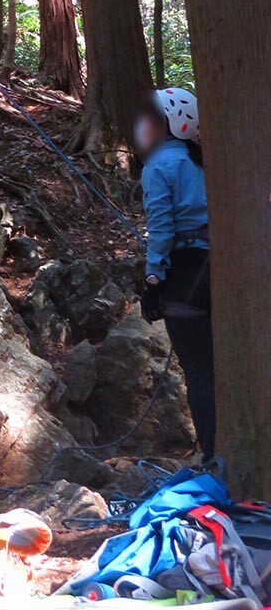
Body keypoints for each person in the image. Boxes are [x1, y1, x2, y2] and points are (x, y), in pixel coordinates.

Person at [135, 87, 215, 460]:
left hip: (186, 279)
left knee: (200, 373)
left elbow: (162, 231)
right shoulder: (204, 160)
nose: (143, 127)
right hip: (222, 269)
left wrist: (153, 281)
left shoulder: (158, 168)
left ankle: (214, 458)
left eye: (150, 120)